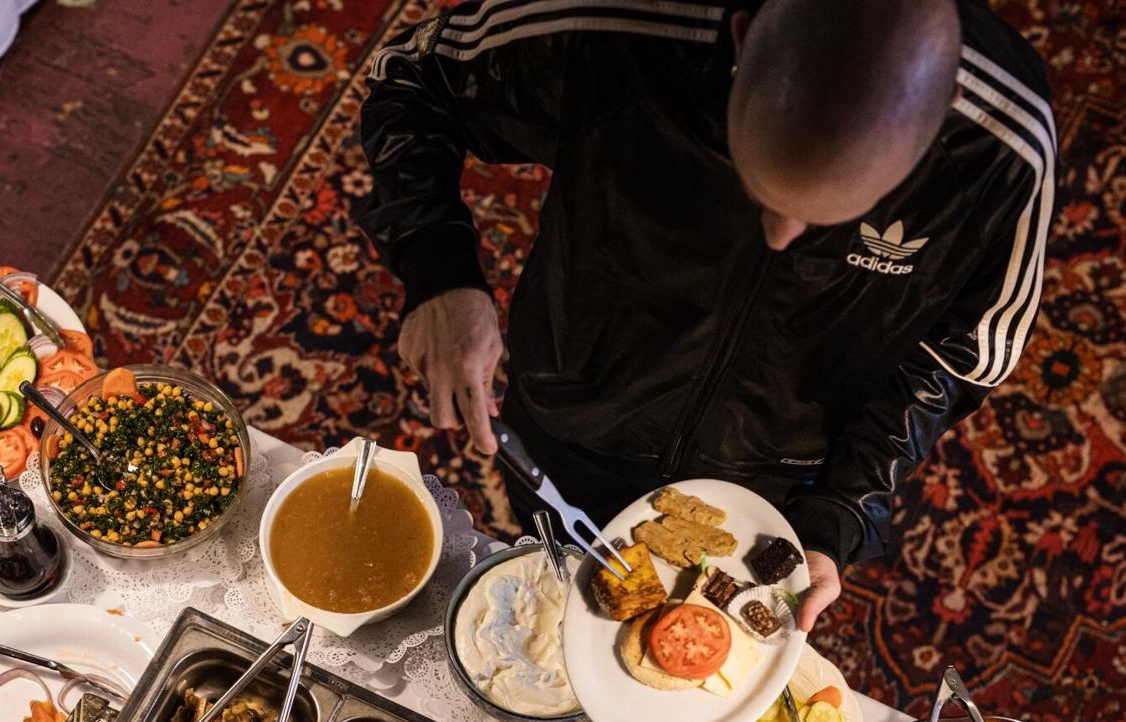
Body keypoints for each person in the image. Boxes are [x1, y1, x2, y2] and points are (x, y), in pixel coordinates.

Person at [358, 0, 1054, 631]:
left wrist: (841, 508)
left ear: (944, 110)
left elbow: (960, 356)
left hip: (780, 473)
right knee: (553, 585)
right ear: (744, 36)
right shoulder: (621, 26)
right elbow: (411, 80)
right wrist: (438, 270)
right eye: (758, 188)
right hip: (574, 412)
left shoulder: (1003, 146)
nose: (781, 236)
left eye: (830, 221)